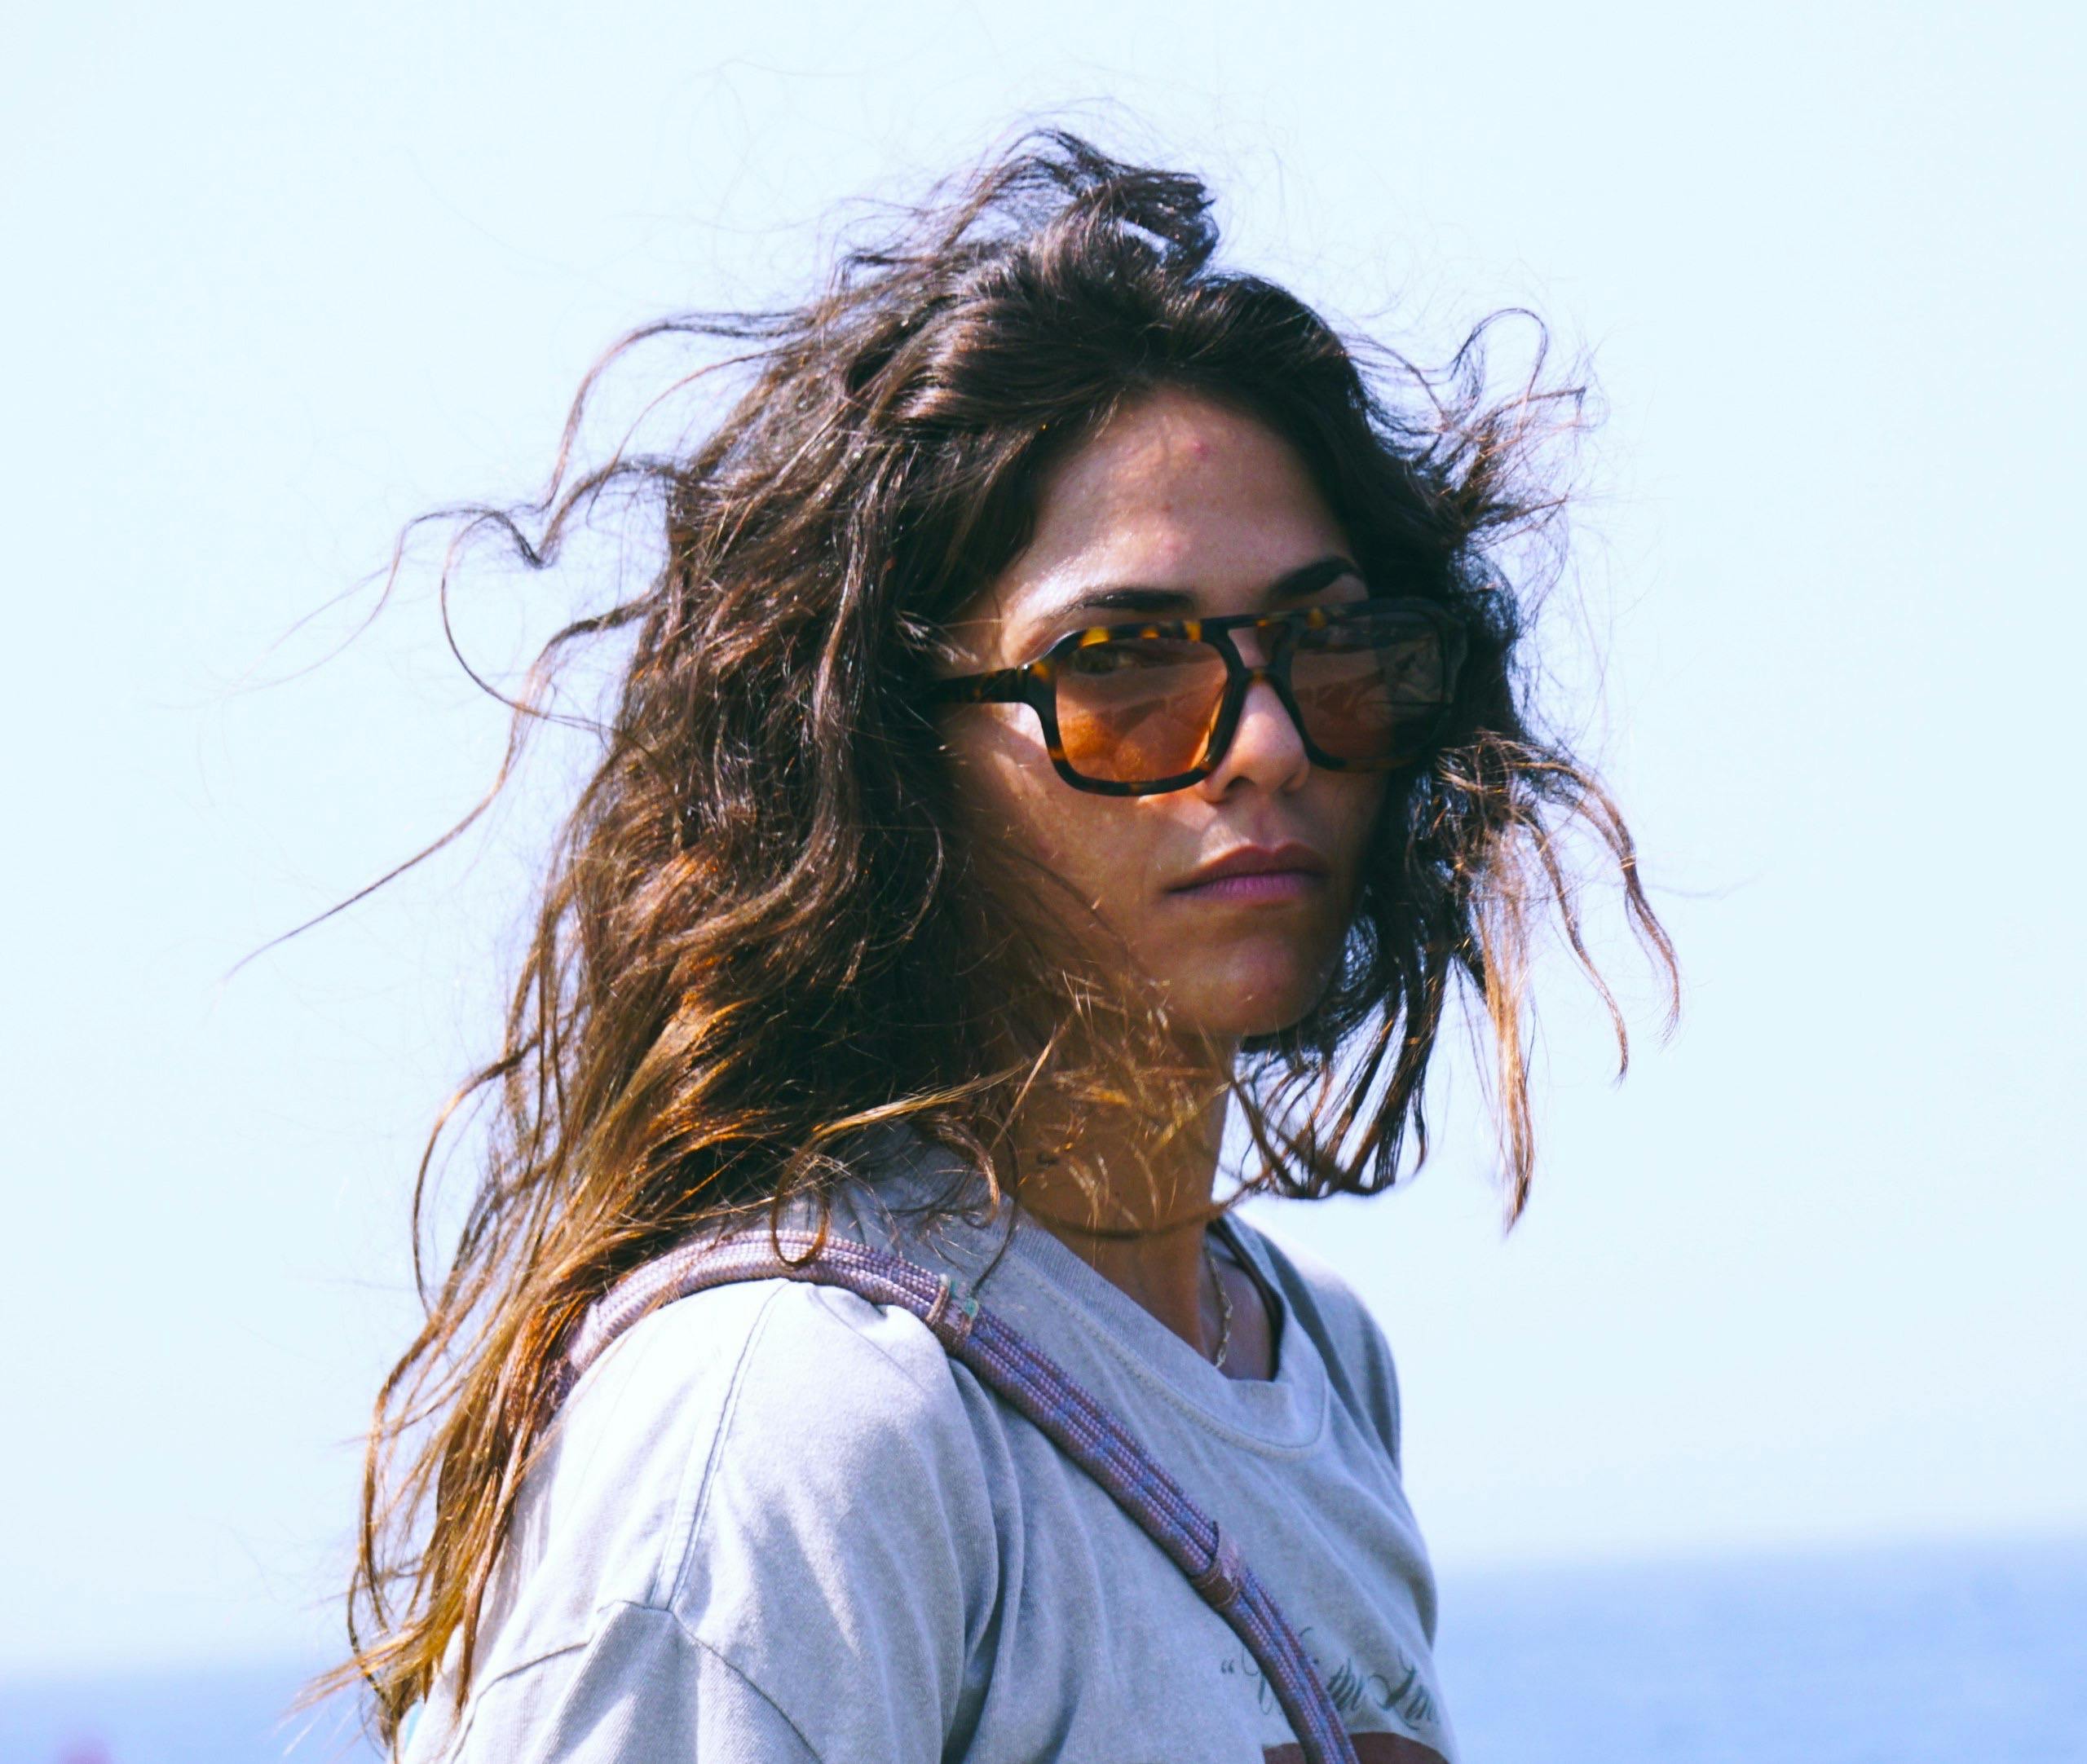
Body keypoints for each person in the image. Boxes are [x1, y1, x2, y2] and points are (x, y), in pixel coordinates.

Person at [330, 131, 1674, 1762]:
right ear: (892, 764)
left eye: (1324, 645)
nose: (1262, 742)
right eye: (1119, 659)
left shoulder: (1303, 1363)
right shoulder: (792, 1417)